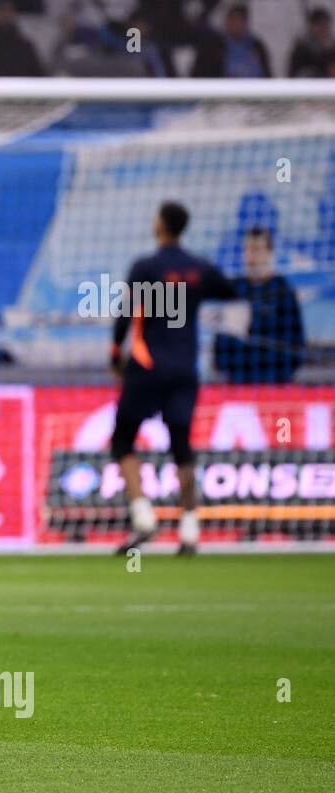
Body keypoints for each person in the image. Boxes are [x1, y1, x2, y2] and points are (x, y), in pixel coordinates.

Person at [109, 201, 237, 558]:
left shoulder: (145, 268)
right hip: (184, 370)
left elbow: (126, 314)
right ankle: (190, 529)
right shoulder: (198, 268)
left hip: (147, 367)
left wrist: (115, 354)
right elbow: (229, 290)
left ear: (161, 226)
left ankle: (144, 517)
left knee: (122, 442)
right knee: (181, 447)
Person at [213, 227, 305, 384]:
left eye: (256, 249)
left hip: (275, 382)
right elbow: (221, 345)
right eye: (247, 249)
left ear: (269, 253)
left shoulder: (283, 290)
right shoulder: (234, 289)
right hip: (238, 383)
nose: (251, 255)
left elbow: (295, 342)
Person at [192, 3, 271, 78]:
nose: (236, 24)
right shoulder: (212, 48)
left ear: (246, 23)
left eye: (240, 20)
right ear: (226, 21)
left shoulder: (257, 46)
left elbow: (268, 76)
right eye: (232, 19)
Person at [288, 7, 334, 78]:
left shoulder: (332, 45)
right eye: (319, 26)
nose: (323, 30)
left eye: (325, 26)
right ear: (311, 27)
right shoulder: (302, 48)